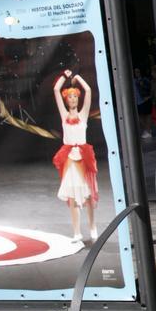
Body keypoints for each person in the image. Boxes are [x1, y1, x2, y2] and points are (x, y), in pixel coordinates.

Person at [52, 71, 98, 242]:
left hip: (83, 157)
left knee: (87, 195)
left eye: (74, 97)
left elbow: (89, 91)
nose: (72, 99)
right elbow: (56, 90)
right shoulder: (64, 115)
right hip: (70, 159)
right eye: (70, 97)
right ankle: (77, 232)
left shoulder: (83, 114)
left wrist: (77, 78)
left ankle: (93, 227)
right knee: (72, 197)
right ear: (67, 100)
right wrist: (64, 75)